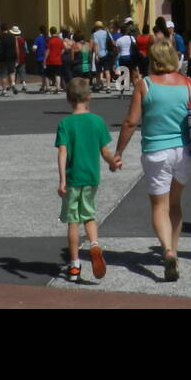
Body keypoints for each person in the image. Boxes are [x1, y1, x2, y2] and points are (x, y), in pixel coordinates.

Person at [113, 39, 191, 281]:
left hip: (156, 151)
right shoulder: (188, 83)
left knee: (159, 206)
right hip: (184, 151)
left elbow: (131, 122)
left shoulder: (145, 85)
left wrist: (119, 151)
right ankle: (174, 248)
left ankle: (168, 250)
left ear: (152, 60)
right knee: (175, 204)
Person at [56, 77, 118, 281]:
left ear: (68, 99)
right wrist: (113, 162)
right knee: (89, 215)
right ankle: (94, 245)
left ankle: (74, 266)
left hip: (73, 178)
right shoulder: (97, 121)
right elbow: (105, 151)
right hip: (92, 177)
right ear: (89, 97)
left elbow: (62, 153)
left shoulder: (65, 124)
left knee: (73, 222)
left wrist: (62, 180)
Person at [0, 24, 18, 95]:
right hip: (12, 57)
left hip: (3, 58)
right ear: (8, 29)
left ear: (1, 30)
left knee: (3, 74)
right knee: (12, 72)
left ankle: (4, 90)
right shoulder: (13, 37)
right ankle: (13, 84)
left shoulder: (0, 37)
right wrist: (17, 57)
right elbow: (16, 47)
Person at [115, 18, 137, 92]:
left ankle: (123, 88)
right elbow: (135, 45)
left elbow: (117, 50)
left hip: (122, 57)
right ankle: (135, 88)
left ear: (121, 32)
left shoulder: (119, 40)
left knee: (123, 73)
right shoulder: (131, 38)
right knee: (132, 73)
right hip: (130, 56)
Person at [44, 26, 66, 94]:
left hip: (50, 60)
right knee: (57, 74)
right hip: (58, 60)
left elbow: (47, 50)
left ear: (50, 32)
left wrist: (44, 60)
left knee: (47, 74)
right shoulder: (60, 40)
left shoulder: (50, 40)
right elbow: (63, 49)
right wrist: (59, 54)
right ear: (56, 31)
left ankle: (47, 88)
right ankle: (58, 88)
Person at [93, 21, 112, 90]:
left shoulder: (95, 34)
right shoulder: (106, 33)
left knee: (98, 71)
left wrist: (96, 55)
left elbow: (95, 45)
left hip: (99, 54)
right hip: (106, 54)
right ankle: (108, 86)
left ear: (96, 27)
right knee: (107, 70)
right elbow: (111, 42)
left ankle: (98, 86)